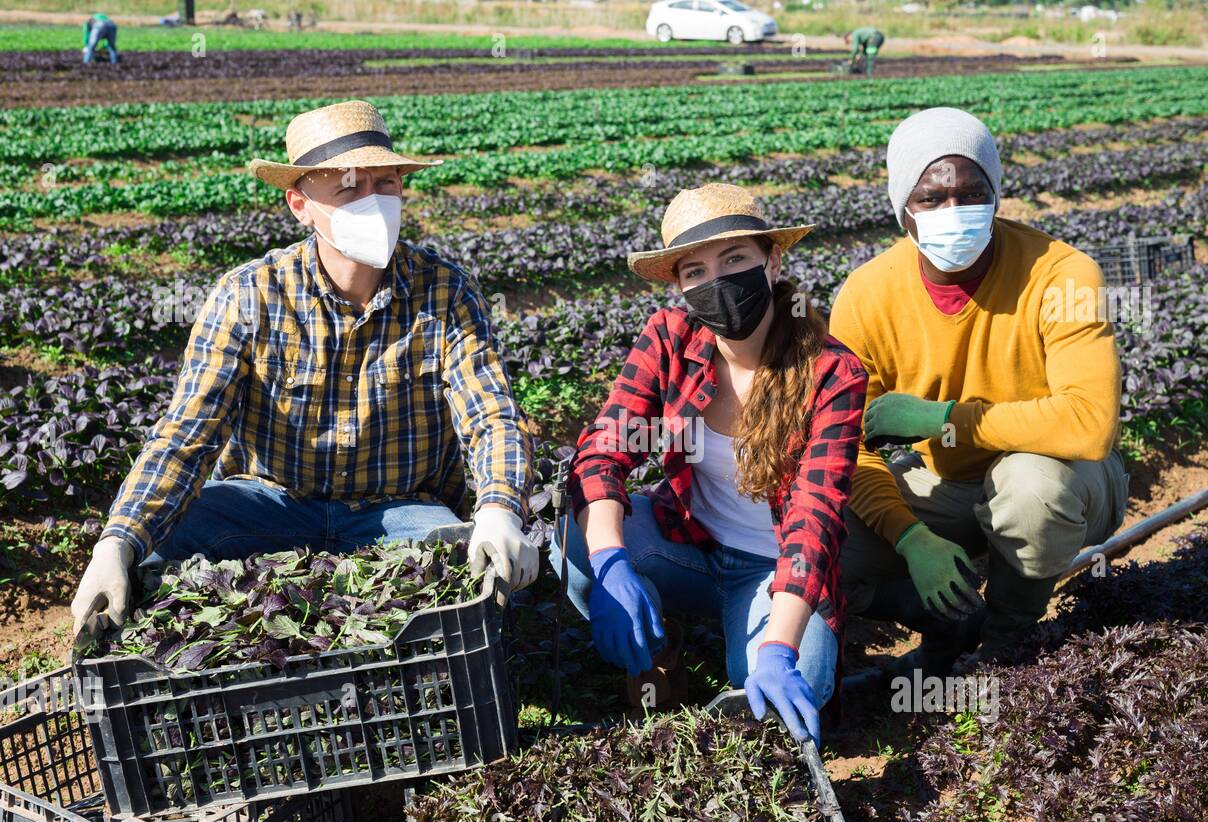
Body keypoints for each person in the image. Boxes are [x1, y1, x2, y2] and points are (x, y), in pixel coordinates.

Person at [71, 100, 538, 636]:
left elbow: (492, 417)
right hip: (268, 506)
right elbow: (186, 437)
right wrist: (117, 542)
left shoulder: (445, 291)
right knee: (160, 552)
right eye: (350, 189)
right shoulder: (248, 296)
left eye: (385, 184)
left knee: (468, 570)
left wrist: (499, 508)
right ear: (300, 204)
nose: (375, 202)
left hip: (398, 513)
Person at [551, 183, 867, 745]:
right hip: (689, 543)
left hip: (776, 574)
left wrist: (778, 645)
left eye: (735, 259)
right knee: (575, 540)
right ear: (679, 286)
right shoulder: (671, 339)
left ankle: (751, 643)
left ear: (772, 261)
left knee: (771, 710)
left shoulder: (830, 372)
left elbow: (815, 518)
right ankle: (654, 654)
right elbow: (604, 448)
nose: (716, 280)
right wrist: (610, 565)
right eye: (694, 270)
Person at [830, 107, 1129, 680]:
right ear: (902, 209)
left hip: (1067, 478)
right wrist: (911, 537)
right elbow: (848, 446)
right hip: (946, 484)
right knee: (819, 527)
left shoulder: (1062, 274)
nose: (954, 212)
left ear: (996, 194)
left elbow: (1089, 424)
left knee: (1028, 490)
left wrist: (945, 419)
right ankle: (944, 618)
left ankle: (1008, 634)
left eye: (972, 193)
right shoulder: (868, 295)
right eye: (931, 198)